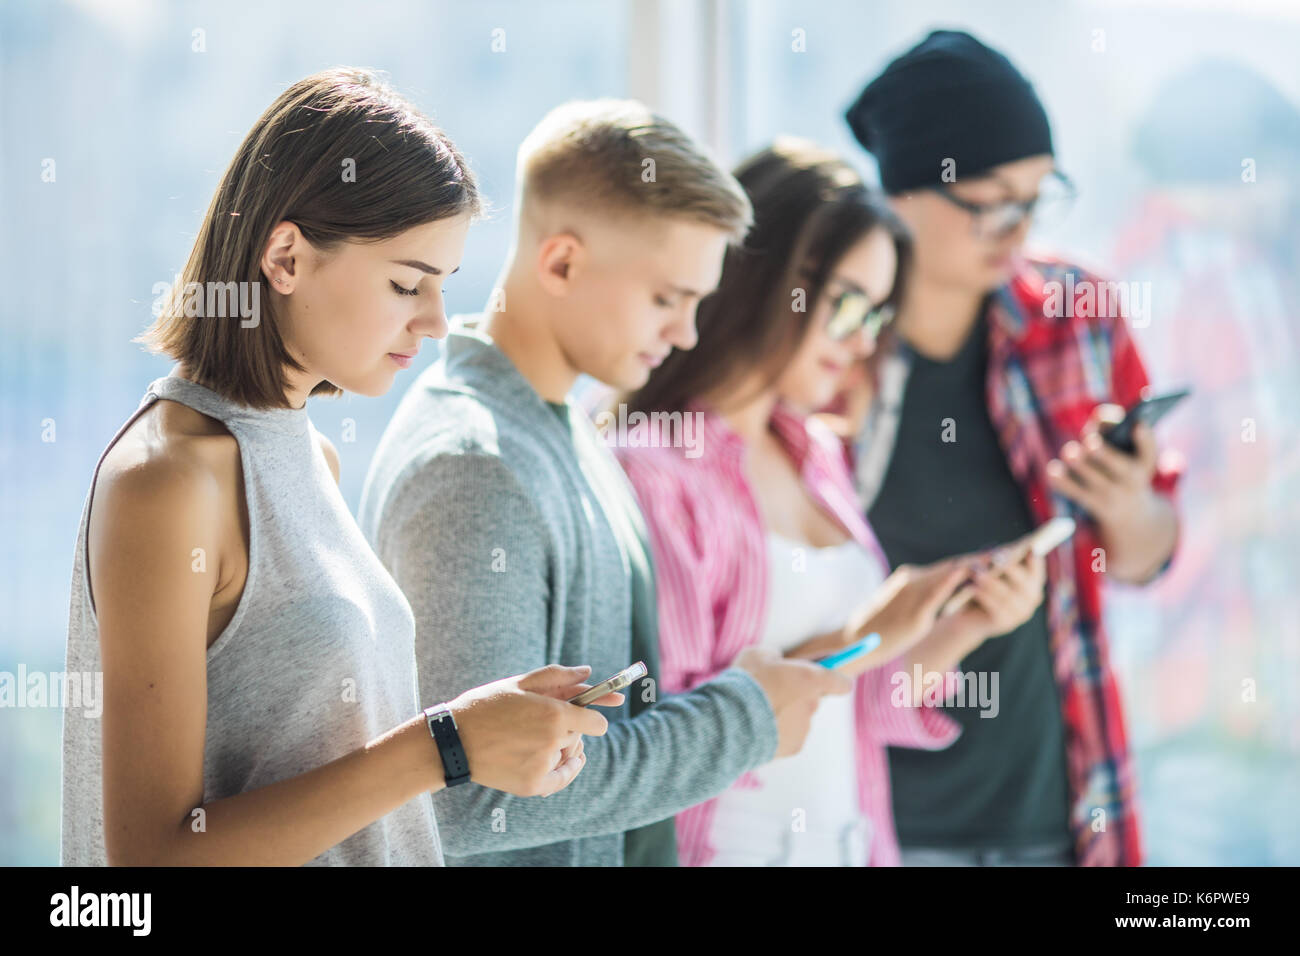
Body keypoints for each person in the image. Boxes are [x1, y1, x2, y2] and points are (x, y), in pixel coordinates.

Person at [61, 68, 615, 868]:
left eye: (442, 287)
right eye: (405, 284)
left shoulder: (308, 453)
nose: (432, 322)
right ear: (285, 257)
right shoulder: (166, 483)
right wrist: (444, 747)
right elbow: (152, 859)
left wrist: (480, 730)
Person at [359, 99, 849, 867]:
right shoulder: (473, 469)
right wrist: (742, 721)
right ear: (561, 263)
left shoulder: (571, 434)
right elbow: (470, 797)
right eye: (667, 298)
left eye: (697, 303)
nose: (686, 333)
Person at [615, 139, 1045, 866]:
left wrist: (961, 625)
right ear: (767, 277)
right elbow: (665, 737)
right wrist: (867, 631)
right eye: (848, 304)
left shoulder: (817, 454)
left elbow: (858, 708)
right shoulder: (656, 468)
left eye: (878, 316)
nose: (860, 341)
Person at [843, 30, 1183, 866]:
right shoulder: (829, 348)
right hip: (877, 814)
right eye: (991, 200)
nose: (1019, 228)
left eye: (1038, 197)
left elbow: (1148, 558)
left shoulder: (1079, 315)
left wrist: (1129, 507)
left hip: (1053, 805)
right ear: (904, 194)